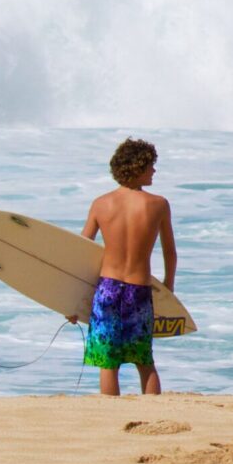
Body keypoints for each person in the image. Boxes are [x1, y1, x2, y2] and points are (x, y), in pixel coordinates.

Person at [74, 138, 178, 396]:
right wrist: (168, 288)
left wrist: (70, 302)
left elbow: (78, 251)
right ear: (138, 167)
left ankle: (112, 418)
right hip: (139, 291)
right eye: (151, 165)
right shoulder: (158, 204)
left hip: (107, 290)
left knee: (108, 362)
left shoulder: (101, 203)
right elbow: (170, 252)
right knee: (144, 361)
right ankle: (153, 414)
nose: (154, 171)